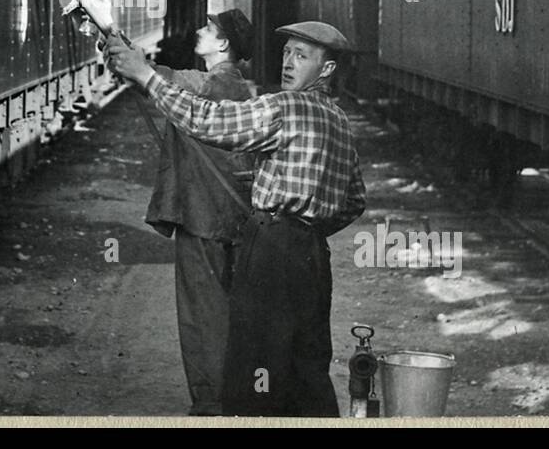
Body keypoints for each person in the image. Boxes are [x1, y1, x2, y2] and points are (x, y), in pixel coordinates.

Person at [106, 21, 366, 417]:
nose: (288, 63)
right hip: (313, 255)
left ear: (326, 70)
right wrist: (307, 227)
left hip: (271, 249)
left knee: (253, 365)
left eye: (302, 56)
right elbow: (354, 201)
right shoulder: (340, 122)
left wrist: (145, 75)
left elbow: (205, 121)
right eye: (286, 52)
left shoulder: (286, 107)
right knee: (306, 367)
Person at [145, 9, 256, 416]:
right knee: (228, 311)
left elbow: (153, 78)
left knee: (201, 315)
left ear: (223, 44)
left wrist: (112, 40)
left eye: (208, 30)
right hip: (236, 218)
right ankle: (234, 395)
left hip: (202, 216)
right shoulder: (243, 87)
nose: (198, 32)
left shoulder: (207, 84)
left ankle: (211, 404)